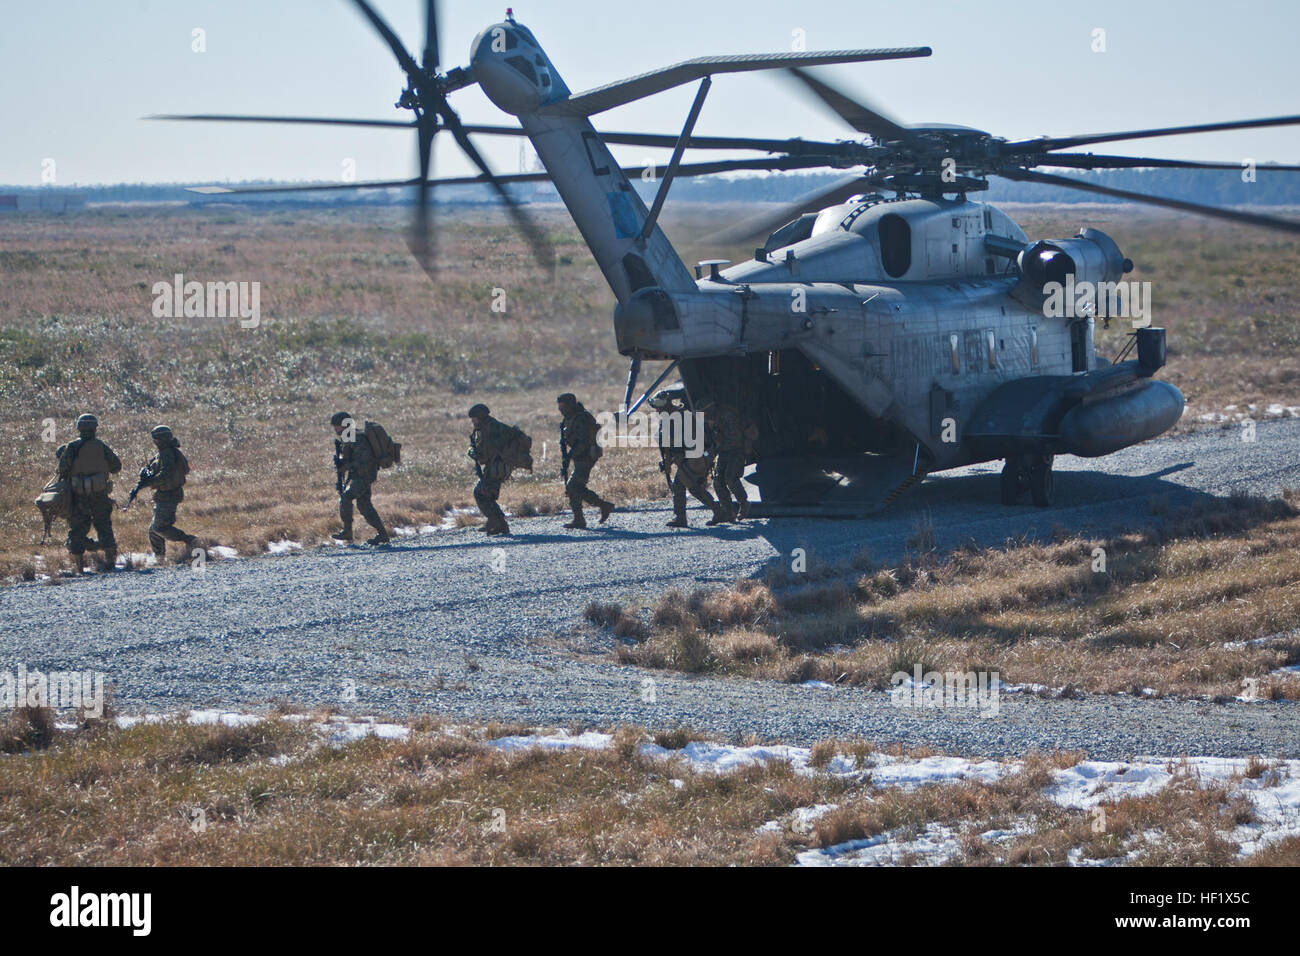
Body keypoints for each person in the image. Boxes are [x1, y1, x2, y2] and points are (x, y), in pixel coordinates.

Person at [650, 392, 726, 528]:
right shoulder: (672, 417)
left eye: (659, 405)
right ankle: (718, 511)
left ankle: (681, 518)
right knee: (694, 488)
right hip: (692, 457)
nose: (657, 409)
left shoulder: (677, 417)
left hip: (696, 457)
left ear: (667, 403)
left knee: (679, 484)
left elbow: (675, 443)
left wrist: (670, 459)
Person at [57, 413, 122, 573]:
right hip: (99, 495)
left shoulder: (71, 447)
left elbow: (62, 470)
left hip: (78, 497)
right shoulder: (101, 446)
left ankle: (79, 566)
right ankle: (110, 562)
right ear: (95, 428)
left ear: (79, 428)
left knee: (77, 528)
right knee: (104, 525)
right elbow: (116, 466)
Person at [129, 425, 199, 565]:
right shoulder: (165, 453)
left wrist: (150, 481)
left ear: (160, 440)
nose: (154, 441)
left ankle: (191, 540)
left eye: (155, 439)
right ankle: (160, 558)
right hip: (164, 494)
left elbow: (165, 474)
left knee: (159, 528)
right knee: (153, 530)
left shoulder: (167, 453)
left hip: (169, 495)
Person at [330, 411, 390, 545]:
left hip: (364, 475)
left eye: (337, 425)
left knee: (346, 497)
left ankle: (347, 532)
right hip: (360, 475)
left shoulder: (356, 437)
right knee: (364, 506)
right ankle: (383, 535)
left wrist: (347, 467)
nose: (335, 429)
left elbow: (365, 460)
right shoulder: (348, 438)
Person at [556, 393, 614, 530]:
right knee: (575, 488)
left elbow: (582, 442)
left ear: (571, 405)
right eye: (559, 407)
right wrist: (566, 459)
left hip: (587, 455)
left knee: (572, 487)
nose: (561, 410)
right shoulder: (567, 419)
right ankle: (598, 508)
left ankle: (585, 516)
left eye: (563, 406)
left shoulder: (582, 418)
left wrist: (569, 456)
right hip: (579, 456)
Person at [467, 403, 514, 536]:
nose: (473, 421)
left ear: (480, 417)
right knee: (485, 493)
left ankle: (496, 522)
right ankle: (498, 523)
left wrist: (473, 453)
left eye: (474, 418)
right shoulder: (487, 427)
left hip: (498, 466)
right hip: (496, 466)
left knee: (481, 492)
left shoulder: (490, 429)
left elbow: (485, 453)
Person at [708, 402, 756, 521]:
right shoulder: (712, 419)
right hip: (723, 452)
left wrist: (716, 445)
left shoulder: (726, 416)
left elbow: (733, 439)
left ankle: (744, 504)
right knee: (718, 482)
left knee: (730, 478)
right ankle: (727, 512)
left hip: (736, 451)